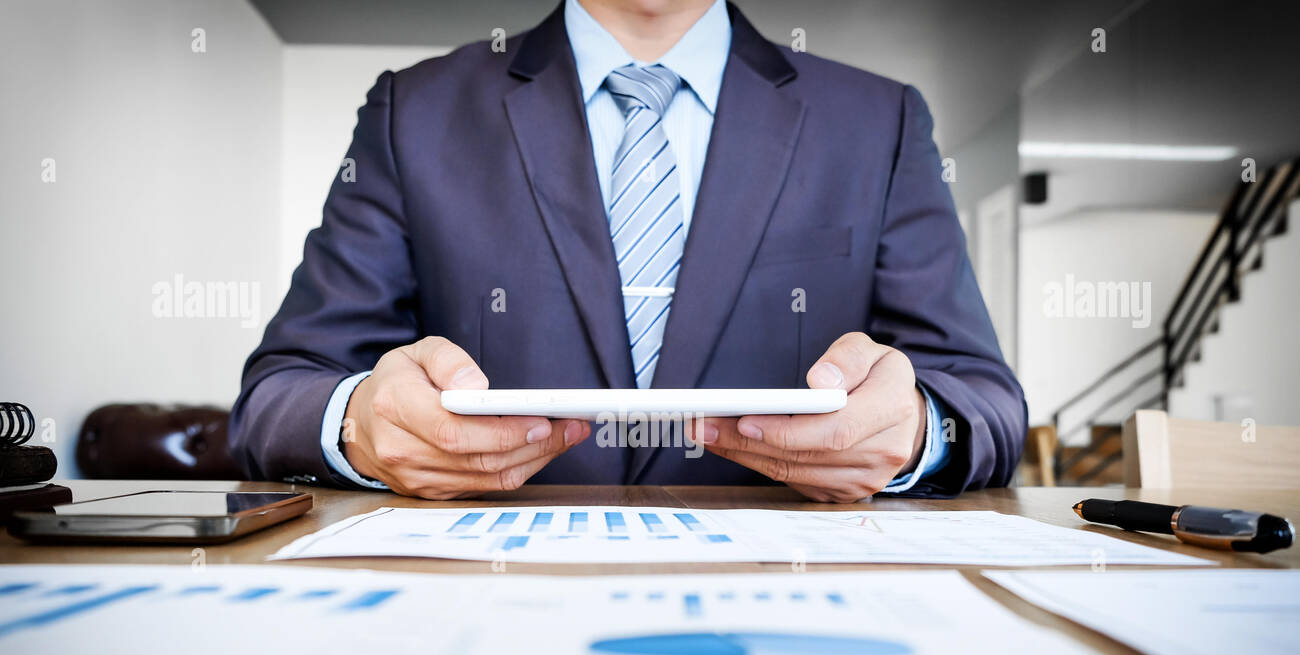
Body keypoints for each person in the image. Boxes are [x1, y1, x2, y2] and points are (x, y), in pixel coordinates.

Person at [229, 0, 1026, 502]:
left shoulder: (877, 121)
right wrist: (361, 425)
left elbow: (985, 398)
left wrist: (917, 432)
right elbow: (277, 396)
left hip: (791, 600)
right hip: (489, 600)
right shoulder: (415, 110)